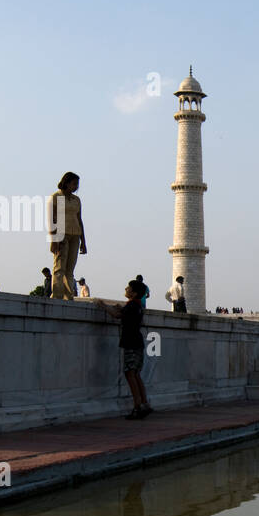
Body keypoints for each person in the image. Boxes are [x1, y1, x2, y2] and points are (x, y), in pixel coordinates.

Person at [95, 280, 152, 419]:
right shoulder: (136, 305)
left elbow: (117, 315)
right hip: (137, 342)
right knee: (136, 374)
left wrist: (102, 305)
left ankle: (137, 407)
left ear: (134, 293)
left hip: (131, 342)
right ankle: (144, 404)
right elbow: (123, 312)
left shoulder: (132, 305)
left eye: (129, 288)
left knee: (130, 373)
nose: (126, 289)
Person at [48, 172, 86, 300]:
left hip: (75, 234)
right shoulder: (57, 197)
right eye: (74, 184)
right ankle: (57, 294)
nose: (76, 187)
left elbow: (79, 219)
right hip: (61, 234)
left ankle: (68, 295)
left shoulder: (76, 200)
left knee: (70, 268)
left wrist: (83, 241)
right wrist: (53, 239)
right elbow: (51, 219)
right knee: (59, 266)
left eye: (77, 184)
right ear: (67, 182)